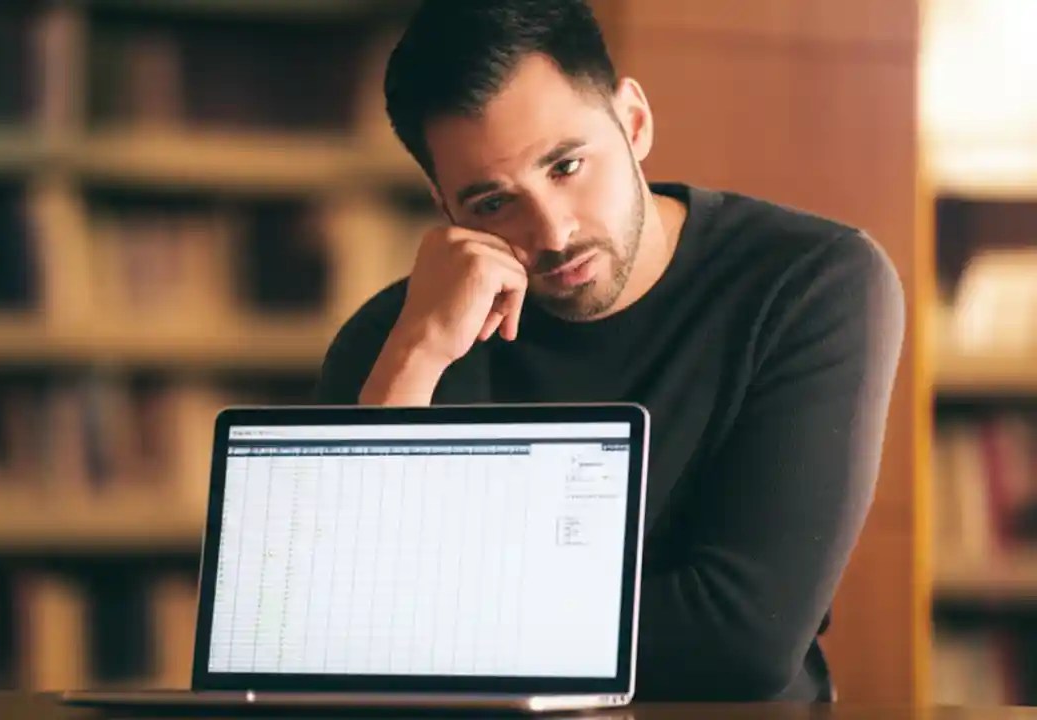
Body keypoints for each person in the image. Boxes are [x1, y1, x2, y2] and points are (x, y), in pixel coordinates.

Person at [315, 0, 904, 703]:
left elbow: (739, 642)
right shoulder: (398, 338)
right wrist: (413, 359)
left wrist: (425, 616)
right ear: (445, 207)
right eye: (493, 204)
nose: (553, 232)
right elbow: (328, 628)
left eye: (566, 166)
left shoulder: (810, 282)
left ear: (633, 122)